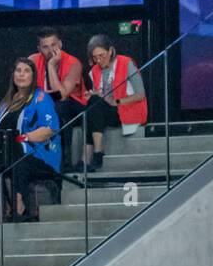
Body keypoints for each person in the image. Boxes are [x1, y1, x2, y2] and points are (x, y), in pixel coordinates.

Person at [0, 59, 61, 221]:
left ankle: (18, 204)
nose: (21, 74)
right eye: (18, 70)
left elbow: (49, 129)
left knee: (18, 158)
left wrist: (23, 138)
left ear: (33, 76)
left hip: (39, 156)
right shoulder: (6, 102)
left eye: (26, 71)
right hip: (10, 154)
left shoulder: (41, 97)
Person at [84, 34, 148, 170]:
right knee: (91, 105)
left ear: (111, 51)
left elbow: (141, 95)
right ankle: (95, 153)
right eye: (95, 58)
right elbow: (100, 95)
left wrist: (115, 101)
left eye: (101, 55)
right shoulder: (94, 70)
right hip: (105, 111)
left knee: (93, 107)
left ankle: (92, 155)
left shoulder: (126, 63)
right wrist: (93, 95)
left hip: (125, 109)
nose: (99, 60)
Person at [31, 29, 88, 170]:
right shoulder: (32, 60)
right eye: (45, 47)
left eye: (54, 45)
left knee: (60, 107)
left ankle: (64, 159)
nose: (51, 50)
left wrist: (50, 65)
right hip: (43, 104)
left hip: (72, 105)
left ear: (60, 44)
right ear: (39, 49)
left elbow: (61, 95)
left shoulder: (74, 62)